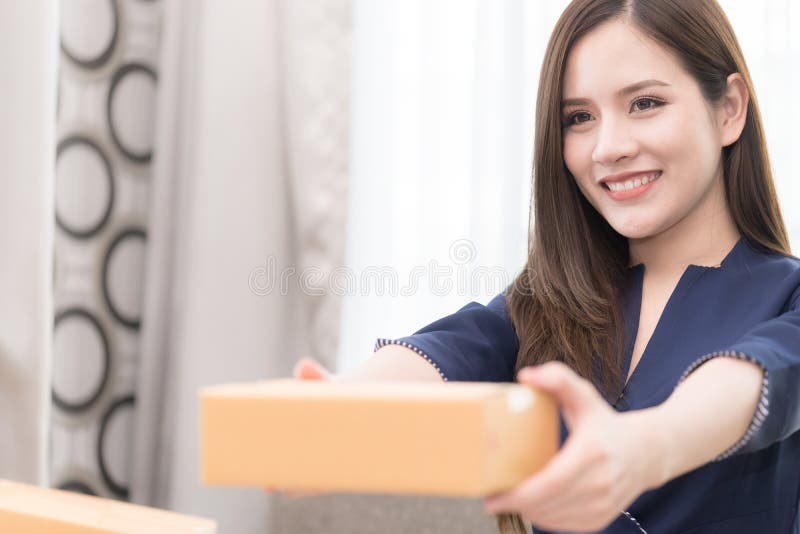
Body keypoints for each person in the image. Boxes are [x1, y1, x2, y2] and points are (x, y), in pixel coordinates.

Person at [280, 1, 800, 532]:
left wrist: (645, 447)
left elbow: (758, 378)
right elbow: (451, 349)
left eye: (645, 103)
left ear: (729, 109)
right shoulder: (546, 303)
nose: (608, 148)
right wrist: (342, 407)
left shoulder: (789, 298)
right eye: (580, 118)